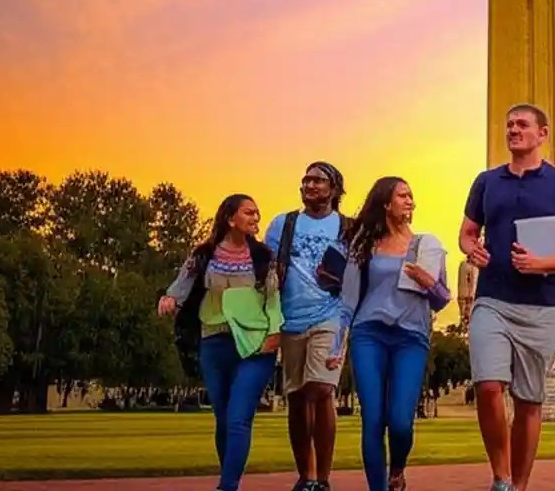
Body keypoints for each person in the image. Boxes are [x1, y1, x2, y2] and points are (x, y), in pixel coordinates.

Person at [459, 103, 555, 491]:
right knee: (487, 385)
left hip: (542, 306)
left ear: (542, 133)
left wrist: (543, 263)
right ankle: (500, 477)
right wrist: (472, 248)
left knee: (530, 400)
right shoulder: (486, 181)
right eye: (509, 124)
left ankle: (519, 485)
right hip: (492, 299)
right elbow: (467, 232)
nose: (514, 130)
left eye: (522, 124)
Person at [158, 194, 283, 491]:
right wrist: (169, 299)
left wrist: (275, 335)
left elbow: (273, 299)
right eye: (249, 213)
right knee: (224, 418)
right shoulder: (203, 255)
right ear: (230, 219)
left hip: (255, 346)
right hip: (214, 344)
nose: (255, 218)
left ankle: (226, 487)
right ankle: (230, 484)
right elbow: (181, 288)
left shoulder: (264, 257)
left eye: (257, 213)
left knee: (239, 417)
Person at [338, 177, 451, 491]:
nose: (409, 200)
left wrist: (429, 282)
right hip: (368, 334)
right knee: (372, 419)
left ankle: (397, 470)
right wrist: (338, 343)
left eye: (411, 196)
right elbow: (348, 298)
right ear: (386, 203)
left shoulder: (427, 245)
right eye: (402, 195)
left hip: (410, 337)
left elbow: (442, 300)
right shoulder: (364, 244)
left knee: (400, 421)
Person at [263, 161, 349, 491]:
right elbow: (267, 271)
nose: (310, 185)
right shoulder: (283, 224)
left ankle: (323, 477)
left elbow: (356, 277)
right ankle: (307, 476)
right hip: (289, 318)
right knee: (297, 397)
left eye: (318, 180)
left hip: (330, 315)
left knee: (322, 389)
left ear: (334, 189)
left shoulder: (346, 227)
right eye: (306, 180)